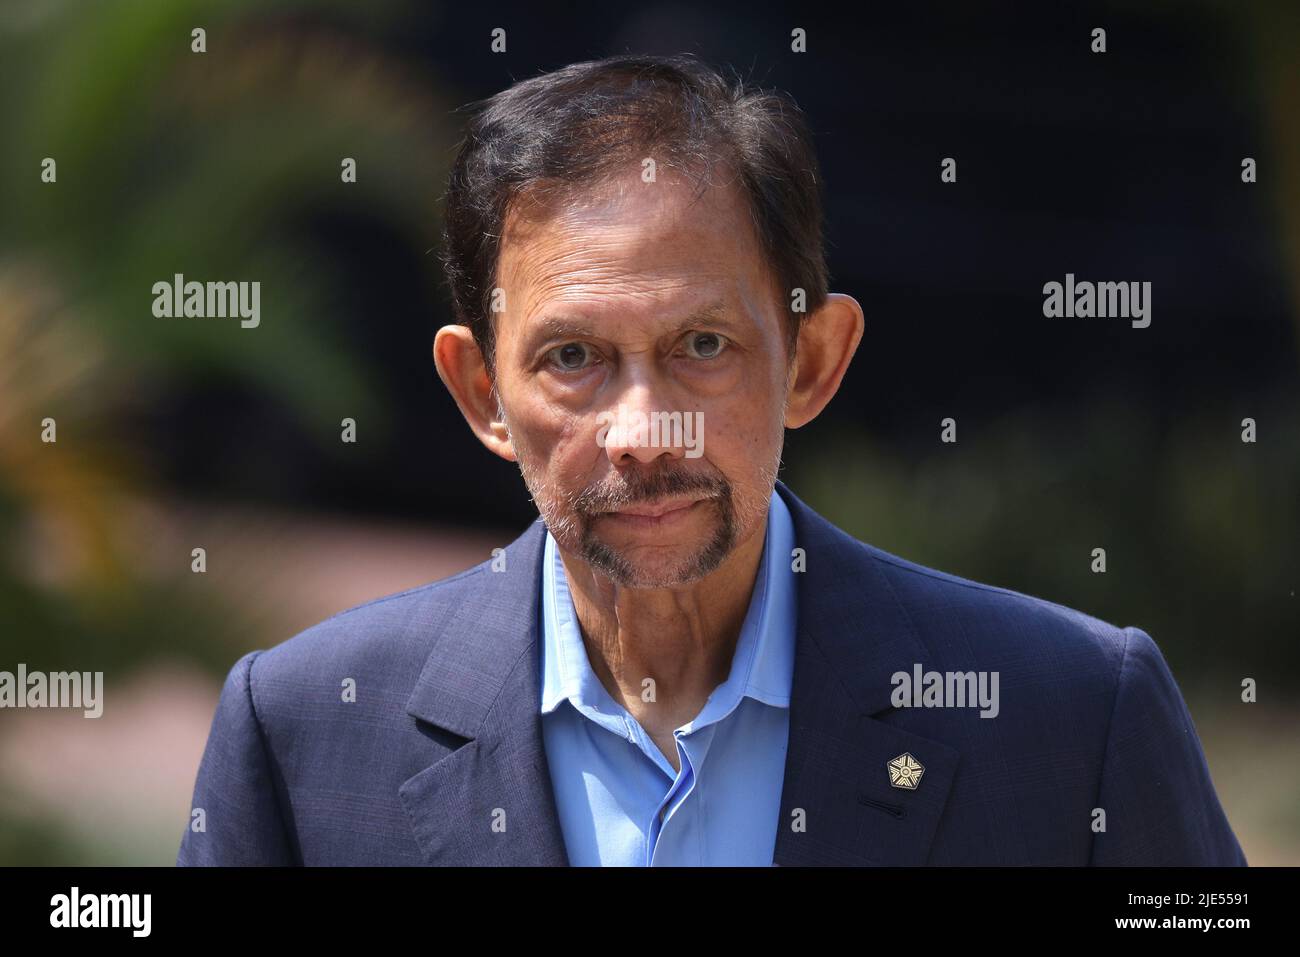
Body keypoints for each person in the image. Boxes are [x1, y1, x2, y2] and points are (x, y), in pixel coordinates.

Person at [178, 53, 1246, 866]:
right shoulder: (309, 735)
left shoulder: (1067, 718)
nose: (644, 433)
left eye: (700, 348)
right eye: (571, 358)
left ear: (810, 361)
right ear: (481, 394)